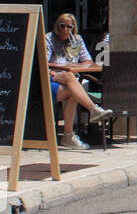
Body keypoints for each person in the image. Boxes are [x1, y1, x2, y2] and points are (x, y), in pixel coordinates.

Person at [45, 12, 112, 150]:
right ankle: (93, 109)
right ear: (57, 26)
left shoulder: (76, 40)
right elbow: (44, 62)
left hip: (69, 81)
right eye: (62, 26)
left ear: (73, 28)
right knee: (70, 77)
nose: (65, 30)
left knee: (73, 89)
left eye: (69, 27)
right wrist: (65, 68)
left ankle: (68, 136)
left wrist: (77, 66)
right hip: (51, 76)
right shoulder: (49, 38)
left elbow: (87, 60)